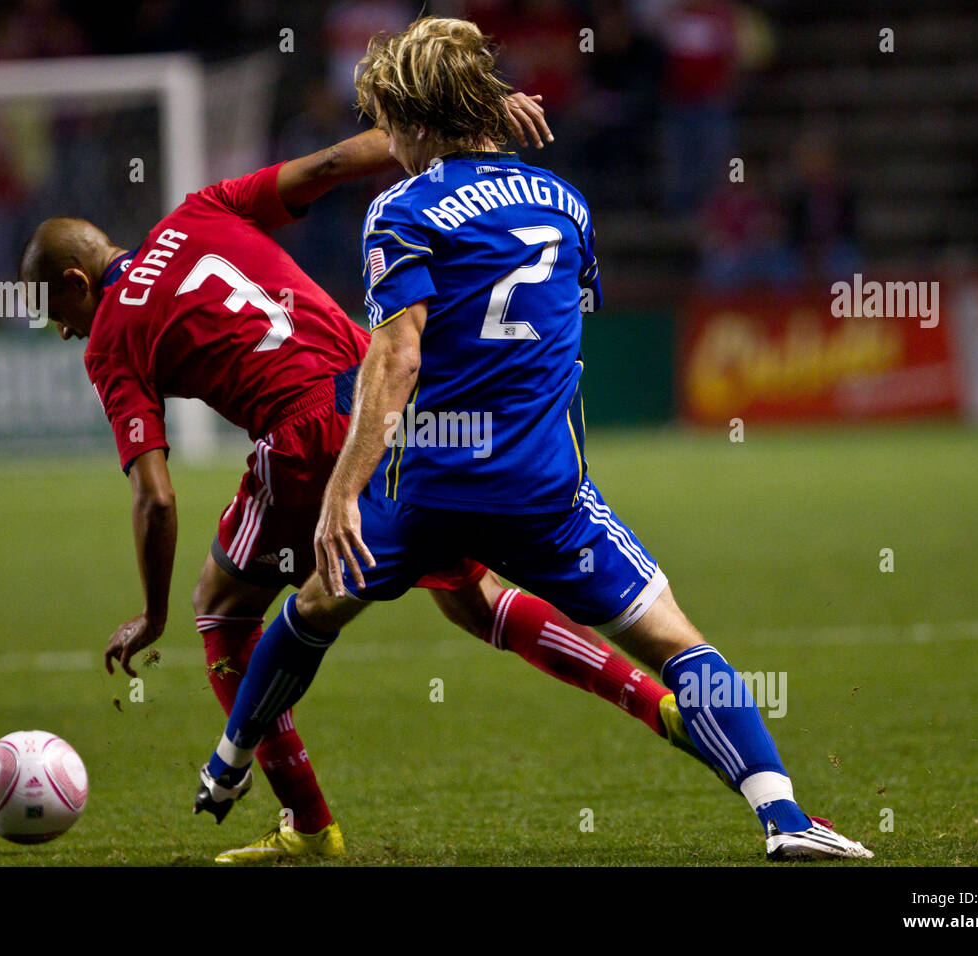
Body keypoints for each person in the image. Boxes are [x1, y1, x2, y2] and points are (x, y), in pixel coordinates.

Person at [201, 16, 873, 862]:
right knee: (675, 640)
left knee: (310, 613)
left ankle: (227, 765)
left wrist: (343, 489)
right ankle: (784, 817)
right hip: (543, 492)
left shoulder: (399, 209)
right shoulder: (568, 202)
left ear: (409, 124)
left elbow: (398, 353)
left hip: (430, 491)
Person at [19, 98, 716, 864]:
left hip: (305, 432)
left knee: (219, 609)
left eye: (55, 310)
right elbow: (331, 165)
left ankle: (309, 825)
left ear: (80, 281)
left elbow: (155, 496)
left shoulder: (112, 337)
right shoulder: (200, 210)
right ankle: (658, 704)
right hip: (380, 400)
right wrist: (458, 136)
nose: (61, 330)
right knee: (469, 593)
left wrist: (150, 615)